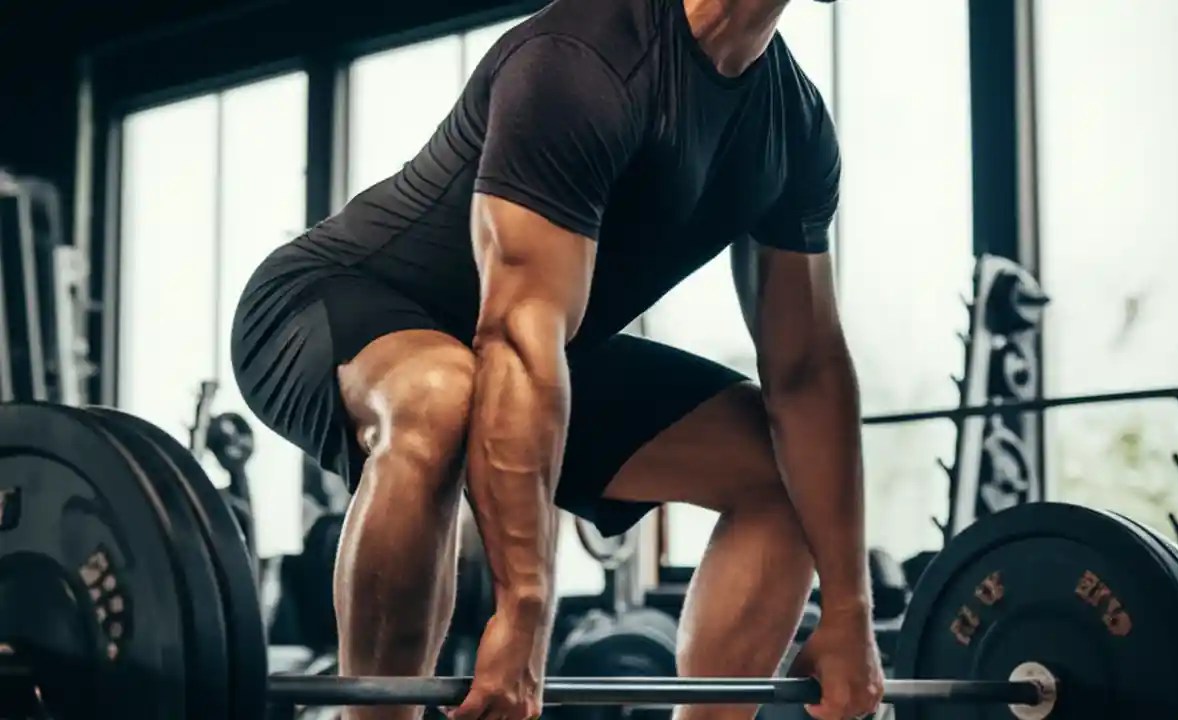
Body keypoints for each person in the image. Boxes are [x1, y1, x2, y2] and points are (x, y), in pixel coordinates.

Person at [230, 0, 885, 718]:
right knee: (445, 393)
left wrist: (850, 609)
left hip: (528, 345)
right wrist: (524, 612)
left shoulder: (792, 126)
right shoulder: (583, 59)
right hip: (326, 305)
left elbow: (806, 372)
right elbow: (517, 335)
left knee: (782, 473)